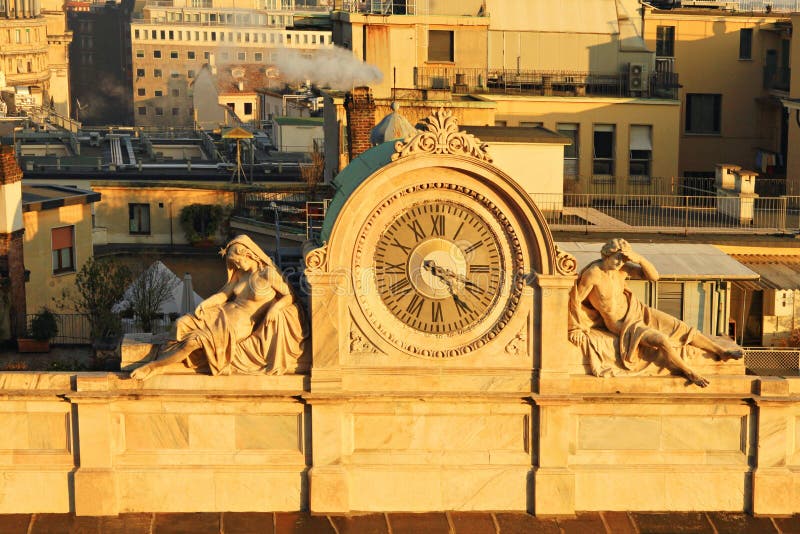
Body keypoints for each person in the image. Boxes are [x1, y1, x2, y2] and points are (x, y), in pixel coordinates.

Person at [568, 238, 742, 387]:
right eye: (617, 257)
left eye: (623, 258)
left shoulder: (622, 269)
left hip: (638, 311)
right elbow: (575, 299)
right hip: (623, 325)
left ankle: (720, 351)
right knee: (661, 340)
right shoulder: (593, 274)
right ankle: (689, 372)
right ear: (607, 254)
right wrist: (576, 327)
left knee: (681, 328)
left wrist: (639, 259)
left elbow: (653, 277)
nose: (620, 262)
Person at [131, 235, 308, 380]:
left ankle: (155, 367)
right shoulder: (240, 274)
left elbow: (290, 296)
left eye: (237, 261)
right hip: (220, 313)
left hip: (238, 325)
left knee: (194, 341)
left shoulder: (268, 274)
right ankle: (165, 356)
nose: (236, 266)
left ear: (248, 254)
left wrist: (275, 308)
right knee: (180, 323)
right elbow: (224, 295)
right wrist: (204, 304)